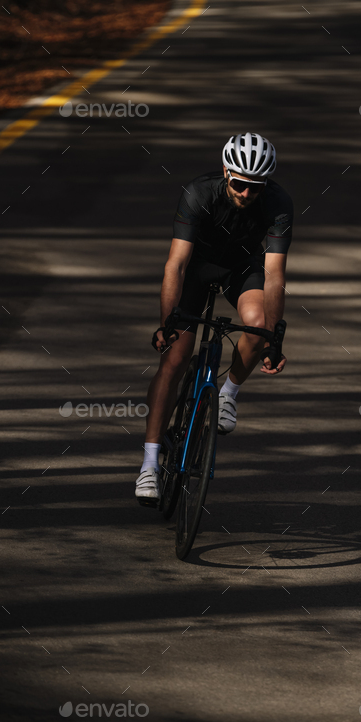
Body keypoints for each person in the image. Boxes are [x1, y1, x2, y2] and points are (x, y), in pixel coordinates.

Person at [135, 132, 294, 506]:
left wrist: (274, 339)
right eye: (239, 184)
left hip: (243, 270)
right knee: (174, 359)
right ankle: (149, 463)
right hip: (198, 269)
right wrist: (166, 322)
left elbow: (274, 276)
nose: (246, 194)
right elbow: (175, 264)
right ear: (226, 172)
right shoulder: (198, 192)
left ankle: (228, 394)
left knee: (257, 326)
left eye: (256, 188)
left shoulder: (278, 203)